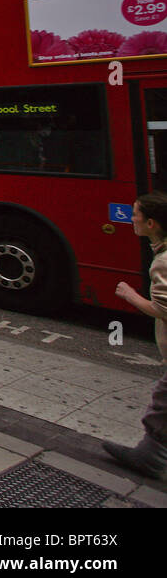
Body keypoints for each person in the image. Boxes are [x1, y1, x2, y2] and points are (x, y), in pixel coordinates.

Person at [103, 191, 167, 478]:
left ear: (151, 223)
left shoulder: (162, 262)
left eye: (135, 214)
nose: (131, 218)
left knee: (162, 399)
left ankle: (151, 457)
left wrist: (130, 295)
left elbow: (163, 309)